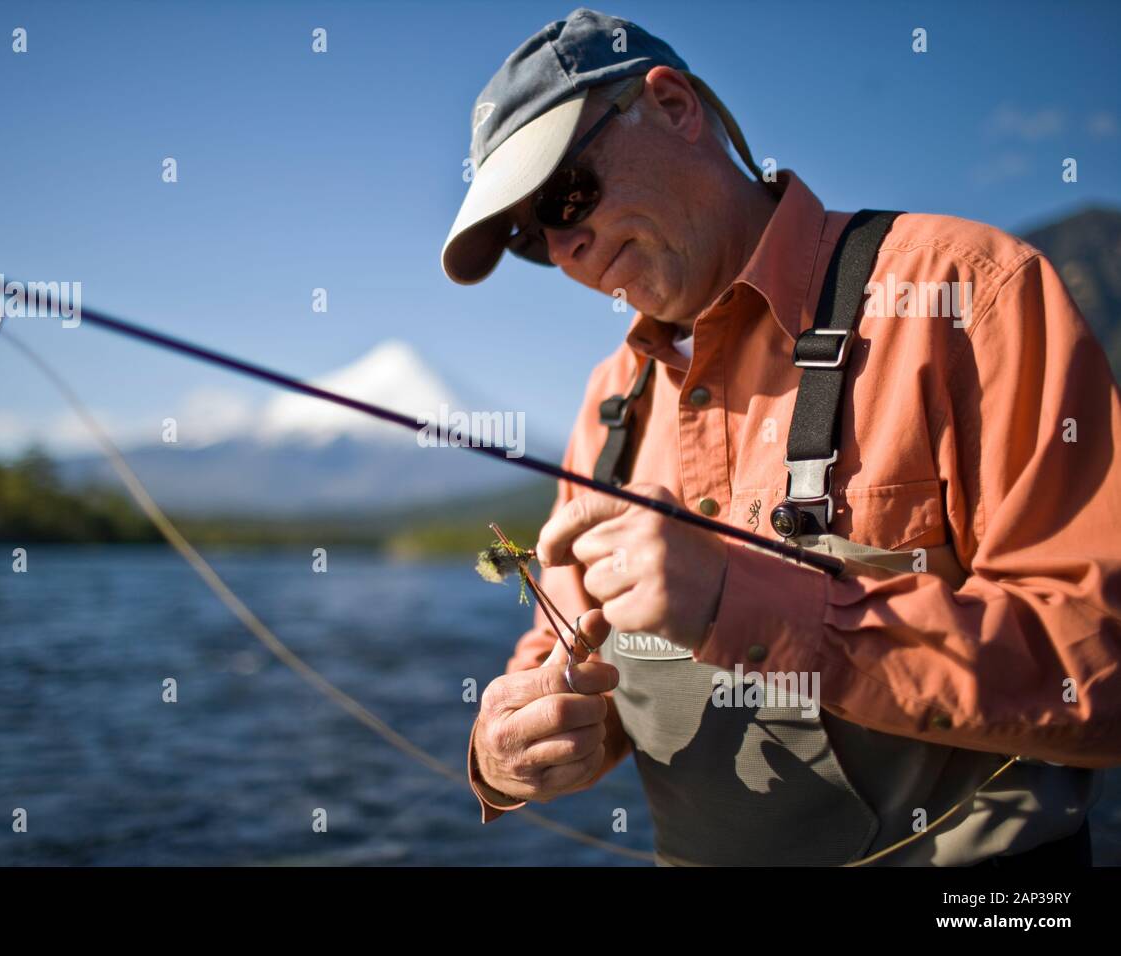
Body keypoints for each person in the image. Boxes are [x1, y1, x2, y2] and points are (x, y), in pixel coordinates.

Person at [440, 7, 1121, 866]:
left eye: (565, 194)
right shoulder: (609, 398)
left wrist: (741, 601)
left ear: (675, 105)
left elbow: (1099, 668)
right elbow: (563, 648)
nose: (566, 246)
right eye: (531, 239)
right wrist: (511, 747)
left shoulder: (967, 293)